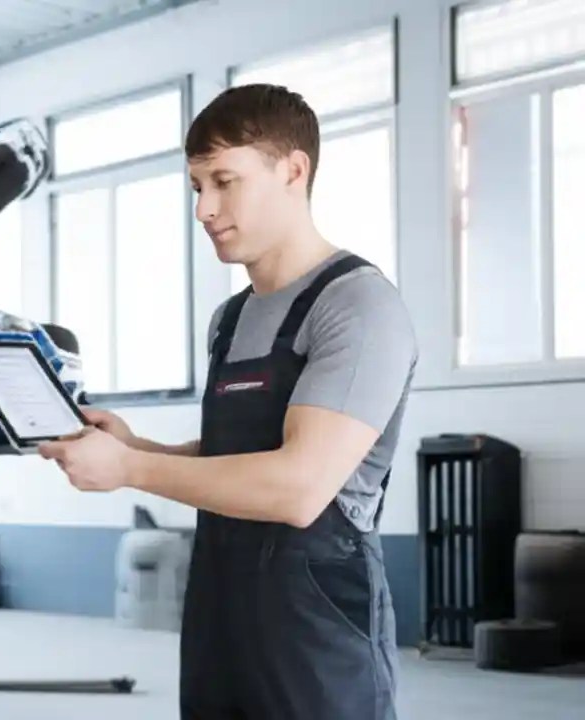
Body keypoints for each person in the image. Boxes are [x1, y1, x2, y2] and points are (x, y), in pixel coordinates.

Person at [39, 83, 417, 719]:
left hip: (318, 629)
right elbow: (234, 454)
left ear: (293, 171)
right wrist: (138, 447)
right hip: (221, 614)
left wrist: (130, 469)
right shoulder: (230, 319)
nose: (203, 209)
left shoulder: (358, 306)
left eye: (224, 181)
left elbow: (298, 488)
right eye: (196, 187)